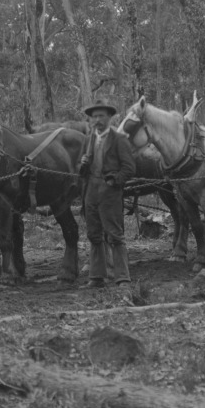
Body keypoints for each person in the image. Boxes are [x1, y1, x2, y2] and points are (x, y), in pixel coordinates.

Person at [78, 100, 136, 287]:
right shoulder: (88, 139)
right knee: (94, 235)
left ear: (110, 118)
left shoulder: (119, 139)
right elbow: (80, 170)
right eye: (94, 116)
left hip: (110, 192)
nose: (98, 120)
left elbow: (129, 168)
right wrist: (83, 165)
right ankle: (96, 276)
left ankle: (122, 277)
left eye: (101, 116)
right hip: (90, 191)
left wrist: (114, 180)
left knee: (115, 235)